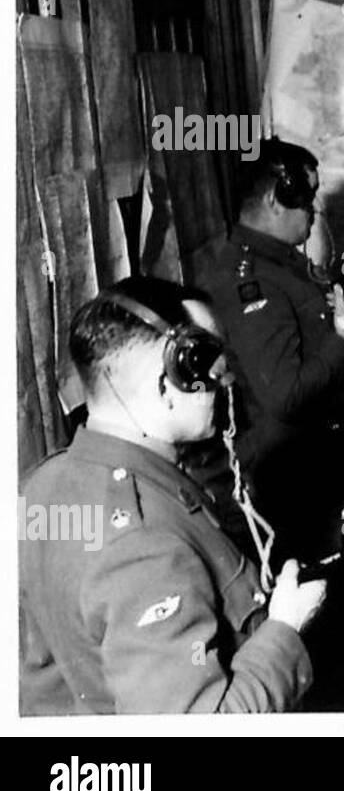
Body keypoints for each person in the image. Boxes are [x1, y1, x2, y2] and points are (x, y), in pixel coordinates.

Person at [19, 277, 325, 714]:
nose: (227, 384)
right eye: (215, 373)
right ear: (167, 385)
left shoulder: (38, 490)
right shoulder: (144, 547)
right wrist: (286, 627)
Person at [197, 138, 344, 559]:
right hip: (304, 479)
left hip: (338, 456)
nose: (313, 211)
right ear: (273, 200)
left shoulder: (281, 262)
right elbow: (285, 395)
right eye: (305, 199)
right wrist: (340, 343)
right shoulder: (250, 281)